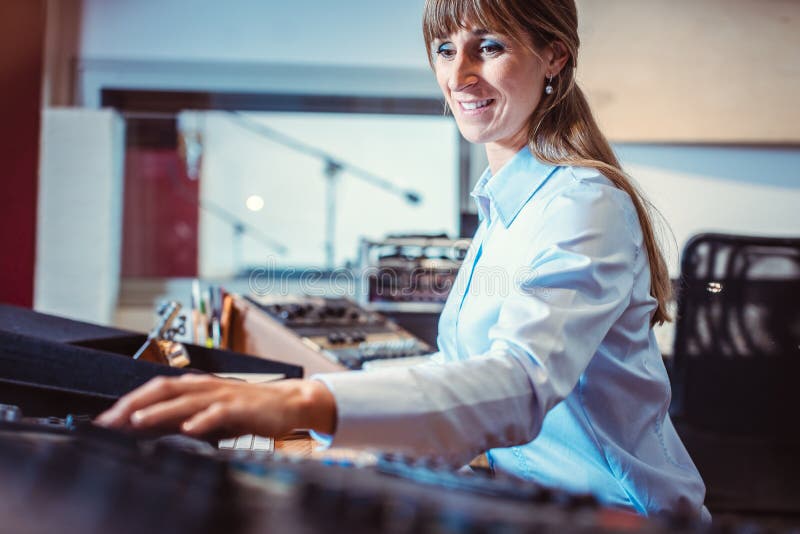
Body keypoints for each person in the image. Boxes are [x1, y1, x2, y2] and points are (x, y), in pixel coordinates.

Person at [98, 0, 709, 521]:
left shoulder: (583, 204)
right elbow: (463, 366)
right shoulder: (505, 207)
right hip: (534, 502)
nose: (460, 75)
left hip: (621, 515)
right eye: (445, 49)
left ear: (554, 57)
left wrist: (305, 401)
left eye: (488, 46)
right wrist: (341, 436)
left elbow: (519, 383)